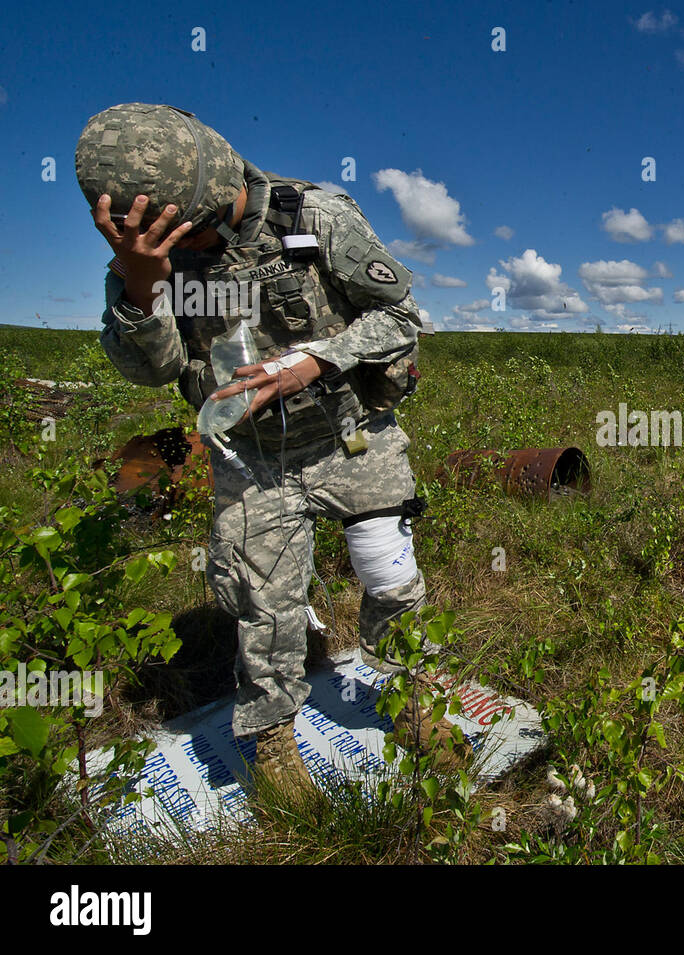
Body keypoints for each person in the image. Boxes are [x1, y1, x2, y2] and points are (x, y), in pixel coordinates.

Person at [75, 102, 467, 798]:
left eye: (188, 230)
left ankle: (414, 700)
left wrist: (315, 361)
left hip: (350, 432)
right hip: (251, 453)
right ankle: (272, 739)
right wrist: (140, 283)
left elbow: (400, 315)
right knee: (264, 603)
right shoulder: (153, 255)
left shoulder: (311, 217)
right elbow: (155, 368)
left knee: (391, 576)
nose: (186, 246)